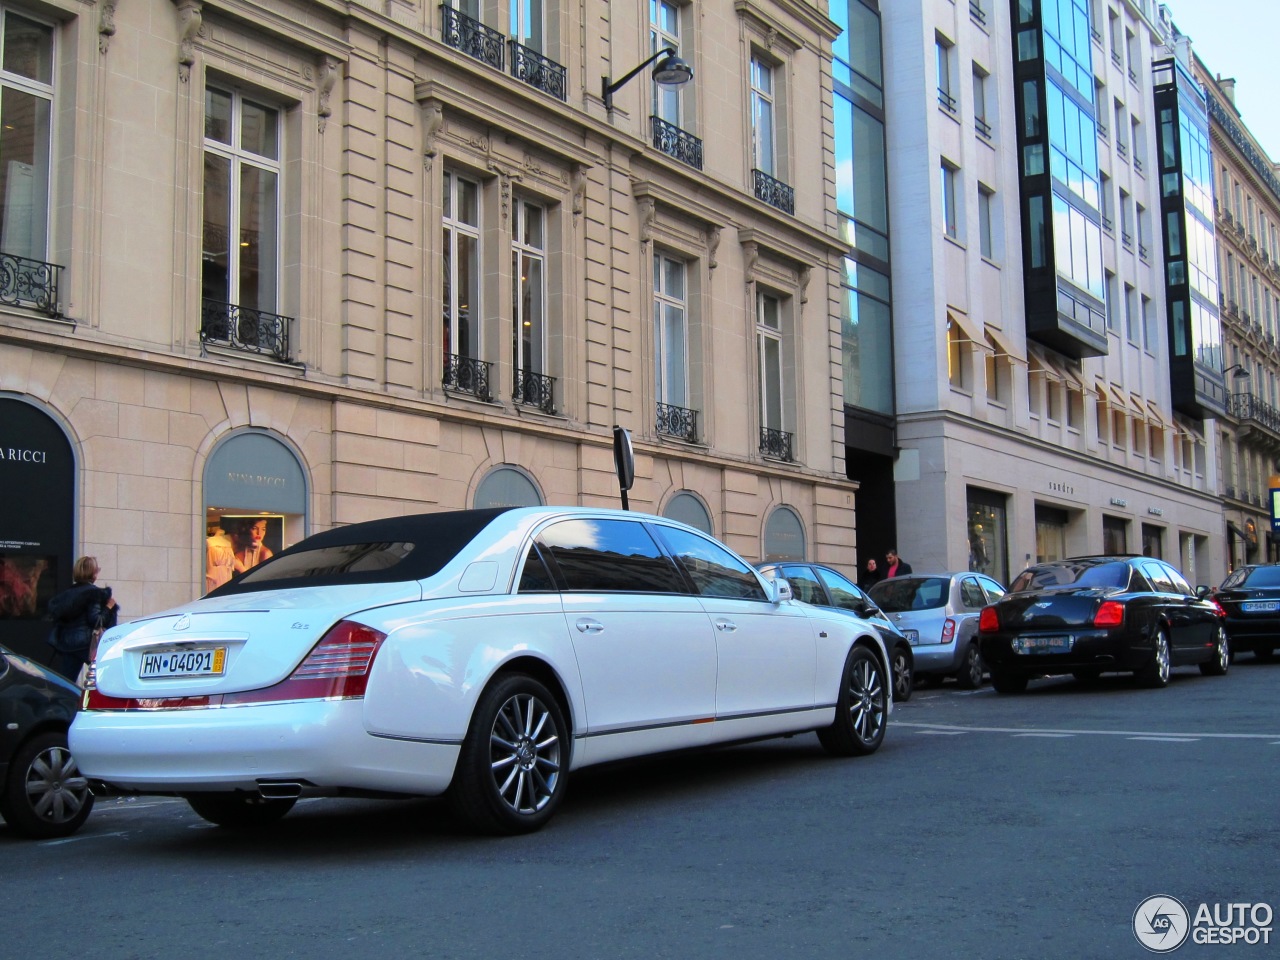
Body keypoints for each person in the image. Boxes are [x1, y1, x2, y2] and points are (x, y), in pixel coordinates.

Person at [46, 556, 118, 681]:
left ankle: (64, 701)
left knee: (66, 683)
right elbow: (96, 620)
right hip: (86, 645)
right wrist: (109, 607)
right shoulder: (93, 593)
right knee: (107, 679)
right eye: (97, 570)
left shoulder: (68, 594)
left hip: (67, 644)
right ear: (93, 573)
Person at [205, 522, 245, 592]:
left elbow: (233, 563)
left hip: (226, 575)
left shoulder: (228, 544)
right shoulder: (209, 542)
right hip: (213, 576)